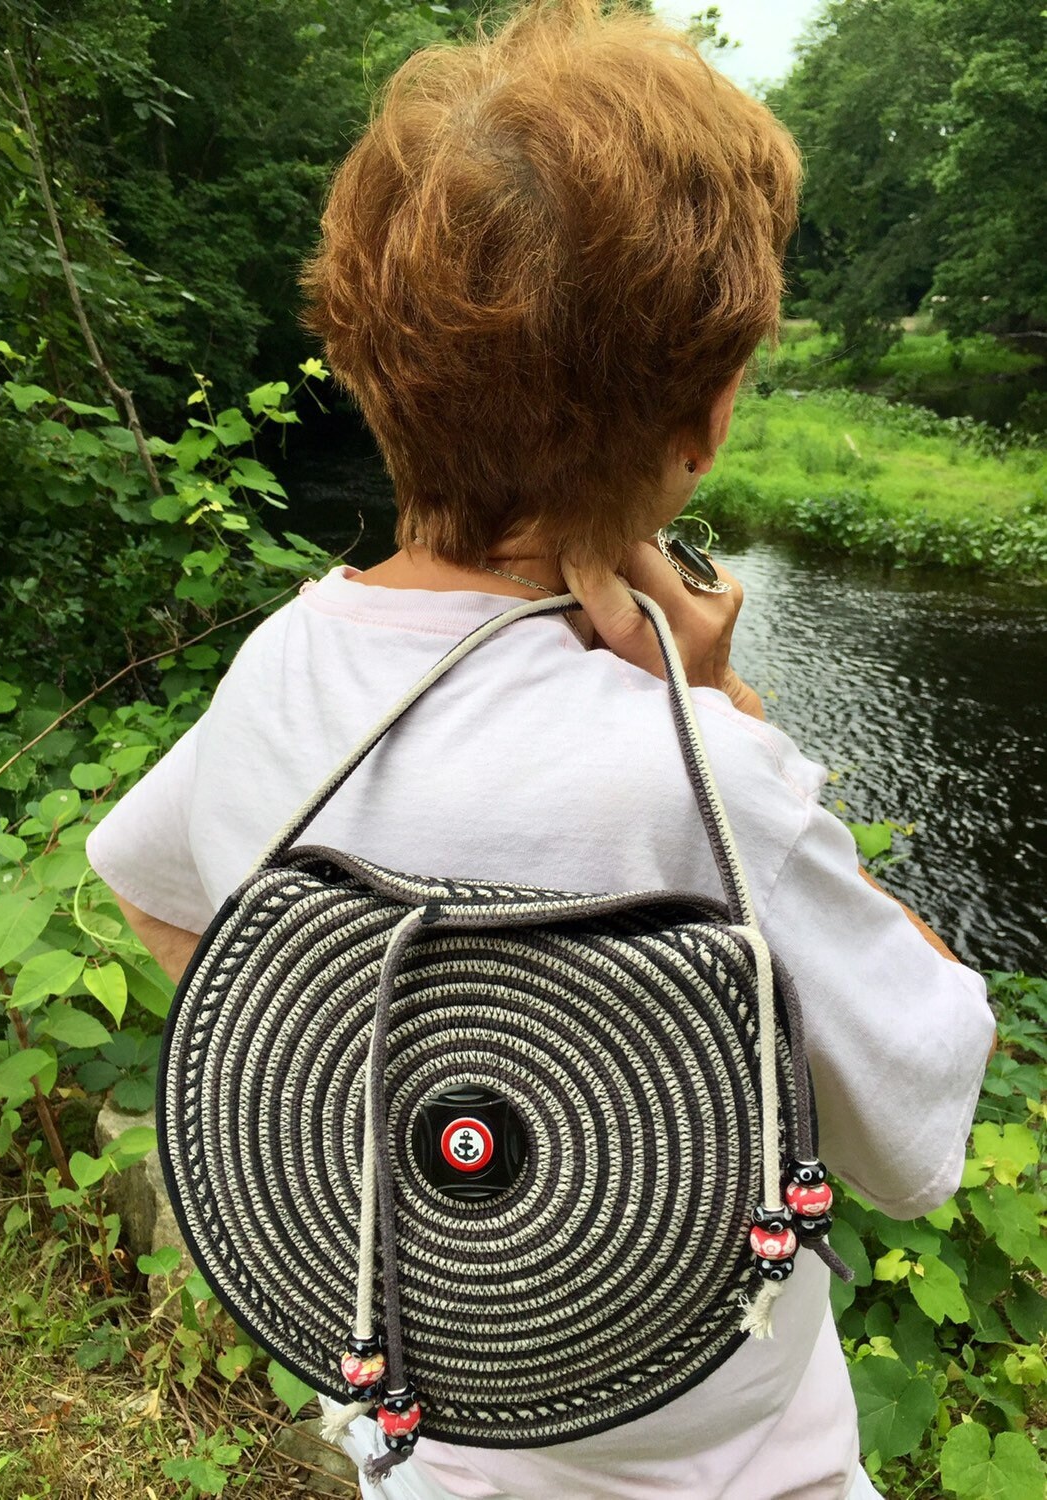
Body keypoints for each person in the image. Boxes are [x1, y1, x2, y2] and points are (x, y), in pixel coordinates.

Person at [86, 3, 996, 1496]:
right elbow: (921, 1121)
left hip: (422, 1434)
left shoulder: (282, 670)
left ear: (369, 369)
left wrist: (362, 1133)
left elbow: (152, 889)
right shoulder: (697, 774)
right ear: (703, 424)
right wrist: (726, 706)